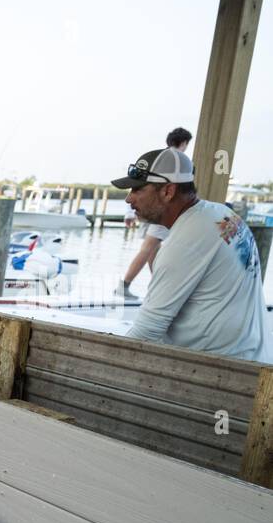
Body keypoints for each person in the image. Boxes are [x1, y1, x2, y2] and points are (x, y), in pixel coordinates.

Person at [111, 147, 267, 361]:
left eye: (137, 190)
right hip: (253, 356)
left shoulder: (185, 242)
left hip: (223, 372)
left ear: (168, 191)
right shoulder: (221, 213)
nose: (129, 199)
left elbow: (146, 333)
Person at [118, 127, 192, 299]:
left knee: (152, 250)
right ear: (184, 143)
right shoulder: (178, 164)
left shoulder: (155, 159)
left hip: (149, 214)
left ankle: (157, 287)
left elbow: (136, 188)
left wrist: (129, 213)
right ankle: (127, 284)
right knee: (148, 248)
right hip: (160, 213)